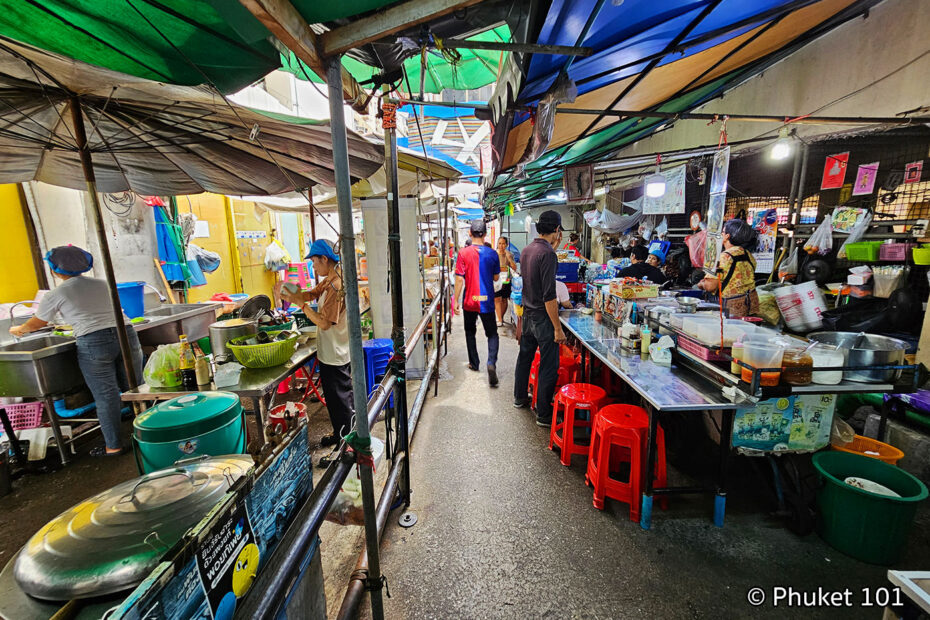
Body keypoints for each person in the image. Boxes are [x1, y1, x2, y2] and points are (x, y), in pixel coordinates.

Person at [8, 245, 143, 457]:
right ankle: (150, 434)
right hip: (126, 334)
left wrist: (19, 328)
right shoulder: (102, 283)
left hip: (94, 341)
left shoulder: (57, 293)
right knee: (135, 387)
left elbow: (36, 323)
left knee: (106, 396)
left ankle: (114, 447)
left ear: (54, 269)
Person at [281, 239, 353, 445]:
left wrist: (301, 304)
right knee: (334, 400)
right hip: (332, 350)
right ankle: (340, 434)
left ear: (324, 259)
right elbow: (312, 293)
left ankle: (345, 444)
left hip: (335, 353)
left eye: (314, 261)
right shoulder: (330, 279)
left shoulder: (335, 285)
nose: (313, 266)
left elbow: (324, 323)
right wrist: (293, 293)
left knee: (340, 402)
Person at [513, 210, 567, 427]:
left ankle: (519, 398)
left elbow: (538, 268)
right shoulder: (548, 254)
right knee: (548, 365)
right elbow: (549, 296)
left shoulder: (528, 250)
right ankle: (544, 414)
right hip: (543, 319)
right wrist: (557, 328)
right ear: (556, 230)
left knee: (524, 358)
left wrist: (554, 248)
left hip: (527, 314)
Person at [454, 219, 501, 386]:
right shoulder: (492, 253)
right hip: (486, 300)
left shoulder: (463, 253)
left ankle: (474, 363)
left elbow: (459, 280)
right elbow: (496, 277)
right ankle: (491, 363)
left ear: (470, 233)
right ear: (485, 234)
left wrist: (455, 300)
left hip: (470, 300)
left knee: (469, 332)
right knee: (492, 334)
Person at [698, 218, 760, 318]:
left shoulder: (724, 257)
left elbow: (710, 286)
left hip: (730, 309)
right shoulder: (749, 255)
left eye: (723, 232)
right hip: (750, 305)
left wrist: (701, 284)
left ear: (727, 236)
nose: (721, 234)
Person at [495, 236, 518, 326]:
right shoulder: (494, 254)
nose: (501, 246)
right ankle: (499, 319)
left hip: (506, 281)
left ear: (507, 245)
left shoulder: (509, 254)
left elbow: (514, 268)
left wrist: (509, 258)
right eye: (499, 243)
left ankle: (501, 317)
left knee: (504, 299)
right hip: (496, 280)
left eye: (503, 243)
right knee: (497, 299)